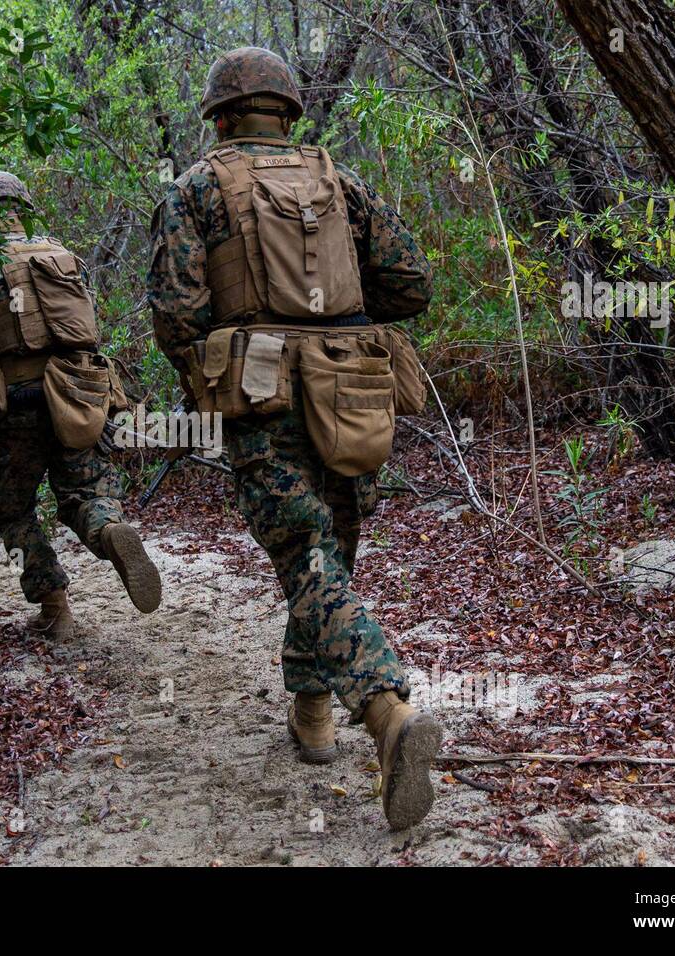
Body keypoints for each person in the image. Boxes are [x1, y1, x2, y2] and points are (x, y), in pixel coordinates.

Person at [147, 48, 441, 829]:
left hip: (262, 389)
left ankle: (388, 716)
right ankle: (312, 716)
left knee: (307, 556)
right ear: (288, 109)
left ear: (217, 114)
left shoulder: (196, 187)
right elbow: (412, 282)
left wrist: (215, 362)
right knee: (326, 555)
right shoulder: (339, 183)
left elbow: (175, 314)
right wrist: (338, 320)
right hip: (351, 387)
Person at [0, 171, 162, 640]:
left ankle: (53, 604)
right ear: (24, 208)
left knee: (7, 503)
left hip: (20, 402)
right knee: (87, 493)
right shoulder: (63, 255)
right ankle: (108, 533)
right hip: (79, 392)